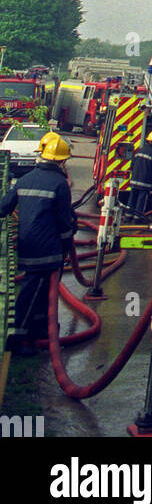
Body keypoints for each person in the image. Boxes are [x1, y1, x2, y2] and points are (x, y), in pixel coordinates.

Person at [0, 132, 77, 353]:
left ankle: (40, 330)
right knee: (32, 293)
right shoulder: (60, 184)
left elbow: (4, 207)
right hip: (48, 251)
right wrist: (67, 242)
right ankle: (19, 339)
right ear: (61, 161)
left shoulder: (24, 180)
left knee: (41, 291)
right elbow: (64, 223)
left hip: (26, 246)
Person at [127, 131, 152, 219]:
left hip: (134, 180)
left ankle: (128, 216)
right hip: (145, 182)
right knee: (141, 200)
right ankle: (137, 219)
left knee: (132, 198)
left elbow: (132, 165)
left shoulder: (139, 150)